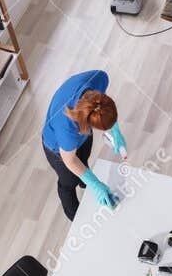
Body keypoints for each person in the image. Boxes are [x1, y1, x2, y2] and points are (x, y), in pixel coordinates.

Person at [41, 70, 128, 220]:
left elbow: (103, 107)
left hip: (81, 134)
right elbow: (69, 160)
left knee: (84, 158)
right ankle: (76, 218)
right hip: (58, 149)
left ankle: (84, 182)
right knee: (68, 182)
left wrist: (115, 129)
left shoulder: (99, 80)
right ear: (87, 123)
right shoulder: (66, 126)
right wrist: (95, 184)